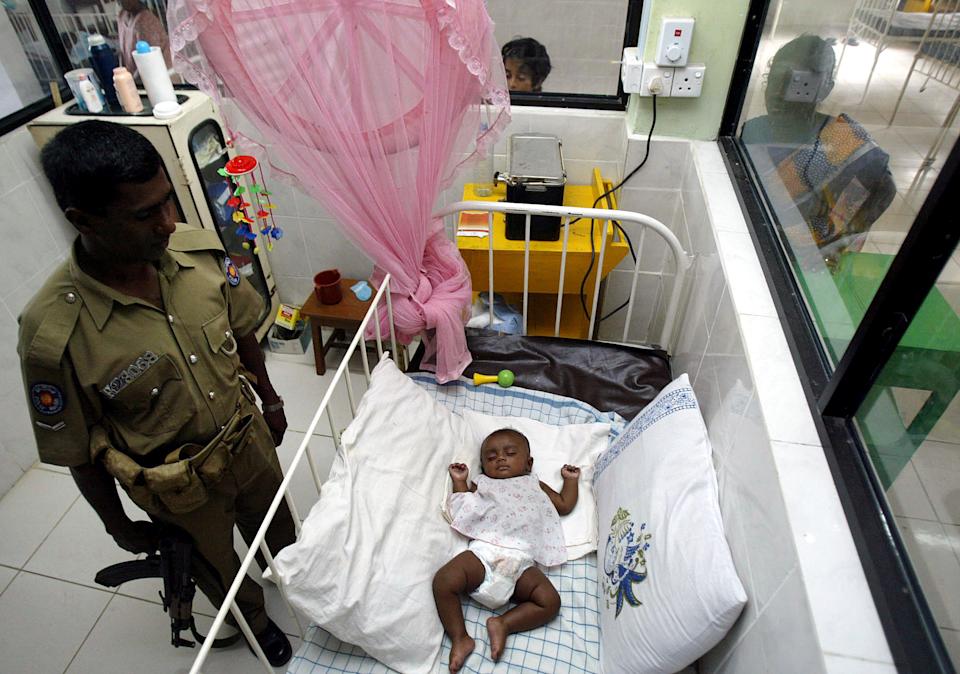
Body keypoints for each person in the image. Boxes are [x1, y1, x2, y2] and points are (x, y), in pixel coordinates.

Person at [17, 121, 295, 667]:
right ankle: (254, 620)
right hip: (180, 486)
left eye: (168, 201)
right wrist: (117, 524)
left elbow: (240, 335)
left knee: (278, 526)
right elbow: (76, 447)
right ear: (83, 220)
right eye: (145, 214)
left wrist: (271, 399)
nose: (169, 222)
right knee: (216, 567)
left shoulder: (200, 257)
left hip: (248, 442)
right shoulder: (53, 334)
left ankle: (296, 576)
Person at [741, 34, 896, 268]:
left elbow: (883, 187)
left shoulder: (842, 140)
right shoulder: (753, 130)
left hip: (813, 264)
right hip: (755, 250)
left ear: (825, 89)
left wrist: (835, 241)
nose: (780, 93)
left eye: (799, 84)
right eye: (775, 80)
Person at [432, 428, 580, 672]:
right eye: (491, 457)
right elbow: (464, 505)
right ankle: (460, 638)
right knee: (444, 581)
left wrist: (571, 481)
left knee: (550, 602)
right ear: (483, 465)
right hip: (485, 551)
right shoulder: (483, 483)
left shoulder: (534, 484)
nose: (500, 458)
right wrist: (460, 481)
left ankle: (504, 624)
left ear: (528, 464)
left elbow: (564, 504)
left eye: (510, 453)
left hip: (521, 561)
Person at [117, 0, 172, 77]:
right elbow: (122, 52)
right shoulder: (122, 16)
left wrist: (132, 82)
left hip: (158, 77)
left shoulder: (145, 20)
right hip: (135, 76)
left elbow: (148, 62)